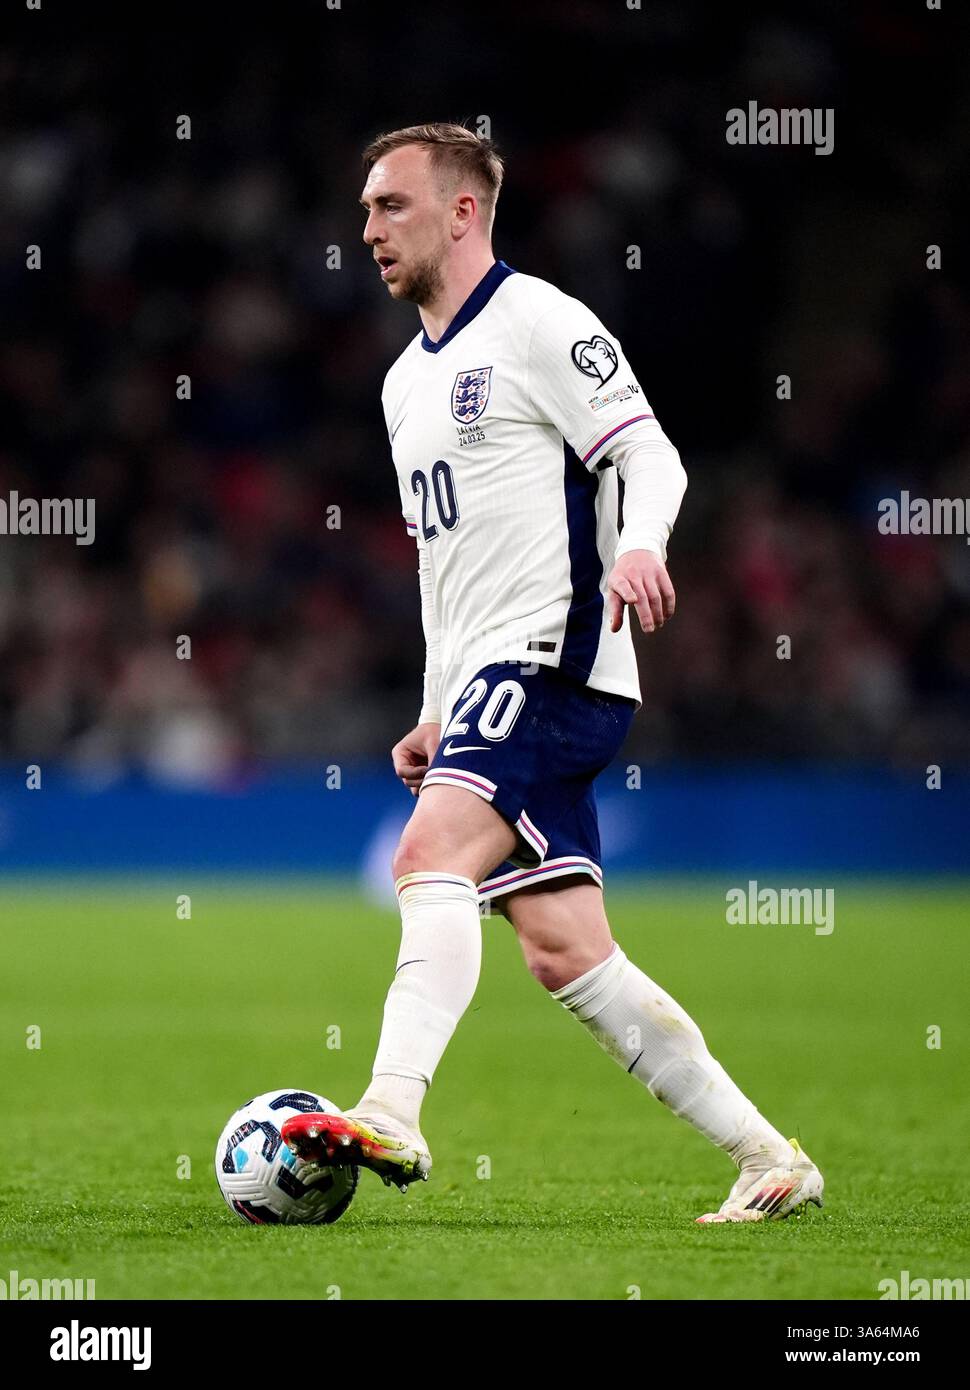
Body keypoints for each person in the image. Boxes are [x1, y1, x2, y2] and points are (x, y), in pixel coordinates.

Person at [283, 123, 823, 1223]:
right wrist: (436, 707)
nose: (368, 230)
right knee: (564, 949)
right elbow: (444, 566)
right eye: (365, 210)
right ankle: (770, 1157)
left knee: (428, 855)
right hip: (487, 678)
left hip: (556, 657)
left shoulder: (540, 322)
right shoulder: (401, 386)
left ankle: (391, 1105)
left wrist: (641, 544)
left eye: (391, 206)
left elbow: (646, 450)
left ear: (463, 211)